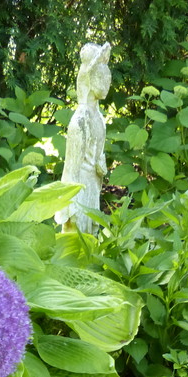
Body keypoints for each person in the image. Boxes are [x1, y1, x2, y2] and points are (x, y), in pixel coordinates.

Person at [56, 42, 111, 234]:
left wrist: (100, 164)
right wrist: (69, 207)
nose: (107, 82)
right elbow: (71, 169)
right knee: (76, 240)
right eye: (101, 76)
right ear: (89, 78)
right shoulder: (80, 121)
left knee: (91, 239)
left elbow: (97, 154)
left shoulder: (99, 118)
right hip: (78, 193)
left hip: (92, 189)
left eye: (107, 76)